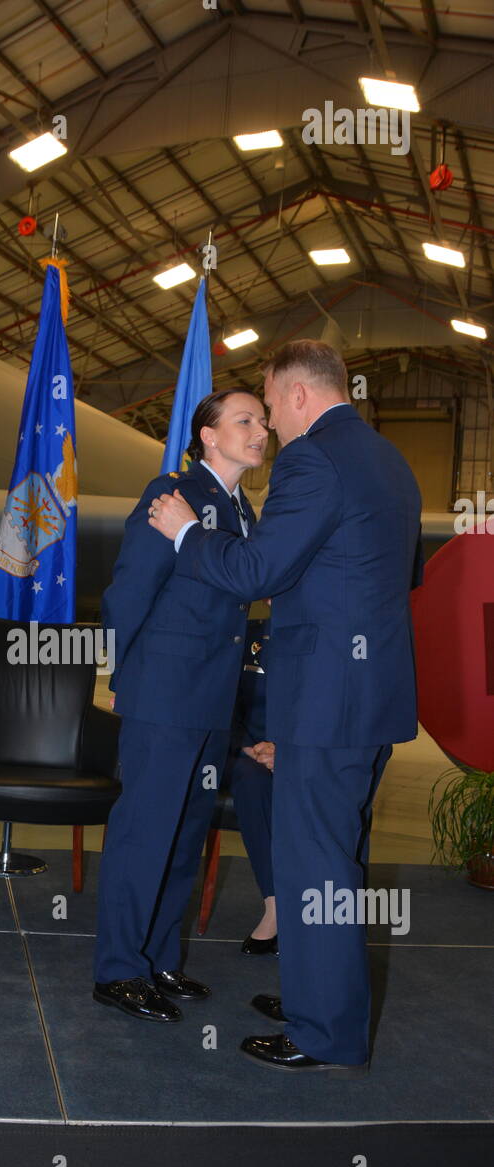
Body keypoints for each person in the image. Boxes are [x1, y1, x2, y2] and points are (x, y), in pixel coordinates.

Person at [149, 340, 423, 1070]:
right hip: (371, 698)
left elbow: (259, 572)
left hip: (329, 704)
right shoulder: (390, 461)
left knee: (317, 868)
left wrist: (185, 532)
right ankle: (320, 998)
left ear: (299, 395)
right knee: (338, 860)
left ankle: (324, 1033)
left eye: (269, 403)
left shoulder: (313, 459)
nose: (270, 420)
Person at [94, 390, 268, 1022]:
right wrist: (124, 671)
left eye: (263, 421)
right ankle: (118, 969)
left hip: (209, 699)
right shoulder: (173, 496)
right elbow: (130, 590)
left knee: (184, 833)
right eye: (245, 421)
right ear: (208, 436)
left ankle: (158, 957)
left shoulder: (239, 508)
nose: (260, 430)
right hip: (165, 693)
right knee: (145, 831)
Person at [224, 614, 277, 954]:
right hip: (240, 751)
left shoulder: (328, 635)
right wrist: (246, 744)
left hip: (300, 751)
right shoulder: (246, 635)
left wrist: (285, 749)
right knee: (249, 778)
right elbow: (220, 697)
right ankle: (276, 905)